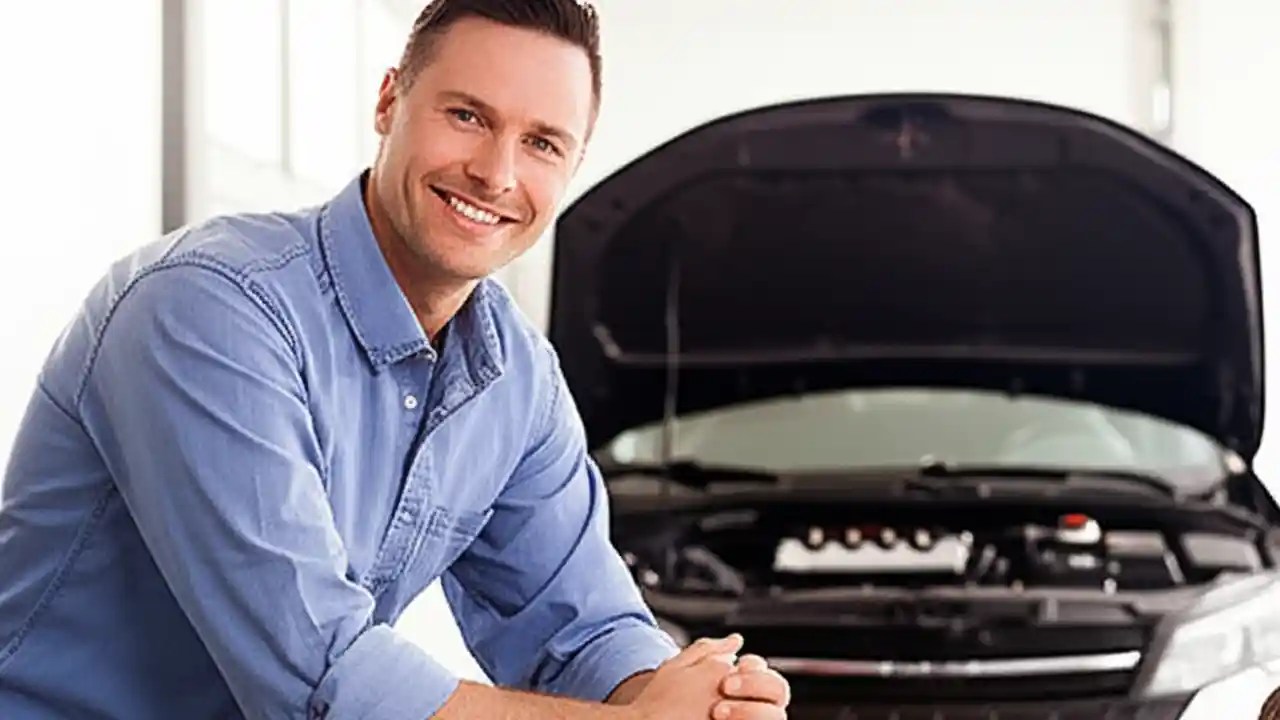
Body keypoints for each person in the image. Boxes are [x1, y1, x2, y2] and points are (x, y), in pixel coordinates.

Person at [0, 1, 791, 719]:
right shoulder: (207, 310)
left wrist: (704, 699)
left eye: (542, 142)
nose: (497, 173)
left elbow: (580, 627)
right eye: (467, 116)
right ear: (389, 101)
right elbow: (321, 679)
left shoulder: (517, 380)